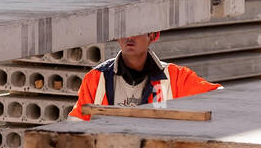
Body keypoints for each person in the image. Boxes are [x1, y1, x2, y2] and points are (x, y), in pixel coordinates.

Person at [69, 32, 221, 120]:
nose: (129, 36)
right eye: (123, 29)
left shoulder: (177, 78)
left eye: (137, 29)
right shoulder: (96, 78)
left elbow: (223, 98)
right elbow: (75, 128)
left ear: (153, 35)